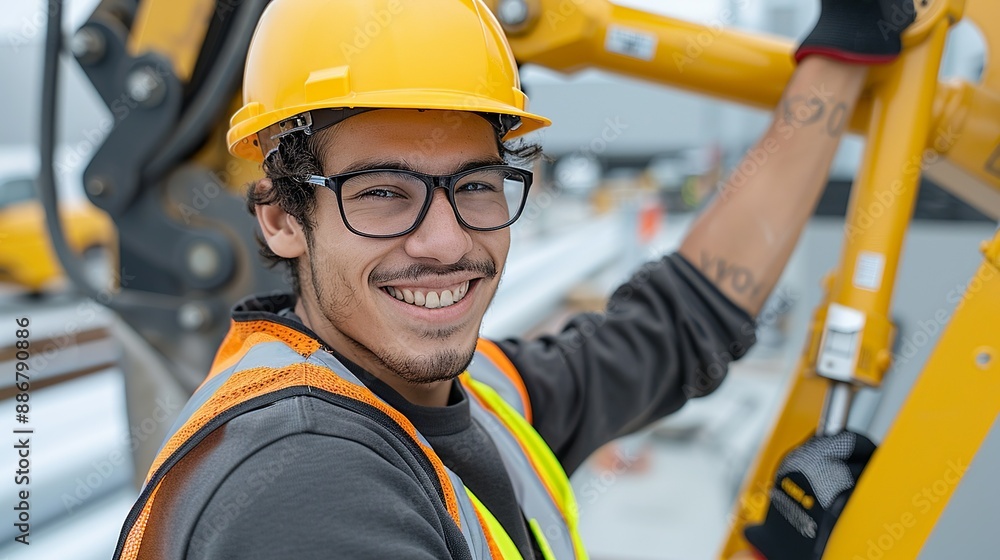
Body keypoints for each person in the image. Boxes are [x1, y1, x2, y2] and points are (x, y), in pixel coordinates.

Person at [113, 0, 913, 558]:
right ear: (281, 218)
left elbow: (678, 323)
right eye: (383, 193)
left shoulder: (477, 396)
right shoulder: (305, 489)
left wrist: (840, 56)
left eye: (474, 186)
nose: (444, 240)